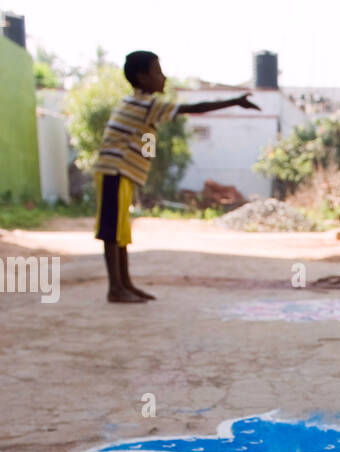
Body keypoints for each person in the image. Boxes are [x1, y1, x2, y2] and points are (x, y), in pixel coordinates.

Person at [95, 50, 259, 303]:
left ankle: (124, 284)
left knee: (120, 230)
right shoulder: (146, 104)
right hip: (113, 171)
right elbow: (195, 108)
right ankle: (115, 288)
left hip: (120, 172)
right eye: (157, 72)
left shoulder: (138, 102)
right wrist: (235, 101)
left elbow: (146, 140)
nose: (164, 78)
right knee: (111, 230)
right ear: (142, 77)